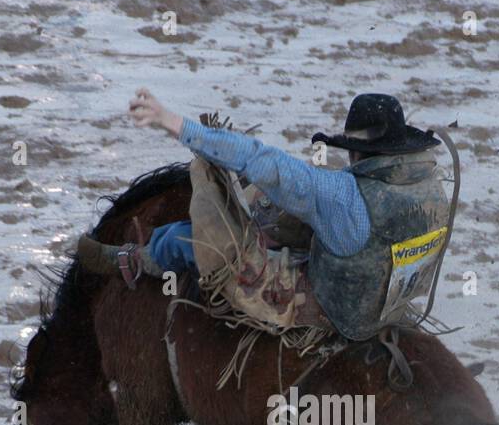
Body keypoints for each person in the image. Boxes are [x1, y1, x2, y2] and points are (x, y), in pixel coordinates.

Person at [77, 89, 450, 341]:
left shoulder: (341, 197)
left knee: (200, 241)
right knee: (280, 206)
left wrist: (172, 122)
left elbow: (263, 160)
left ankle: (140, 259)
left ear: (356, 152)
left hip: (332, 309)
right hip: (386, 300)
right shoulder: (432, 187)